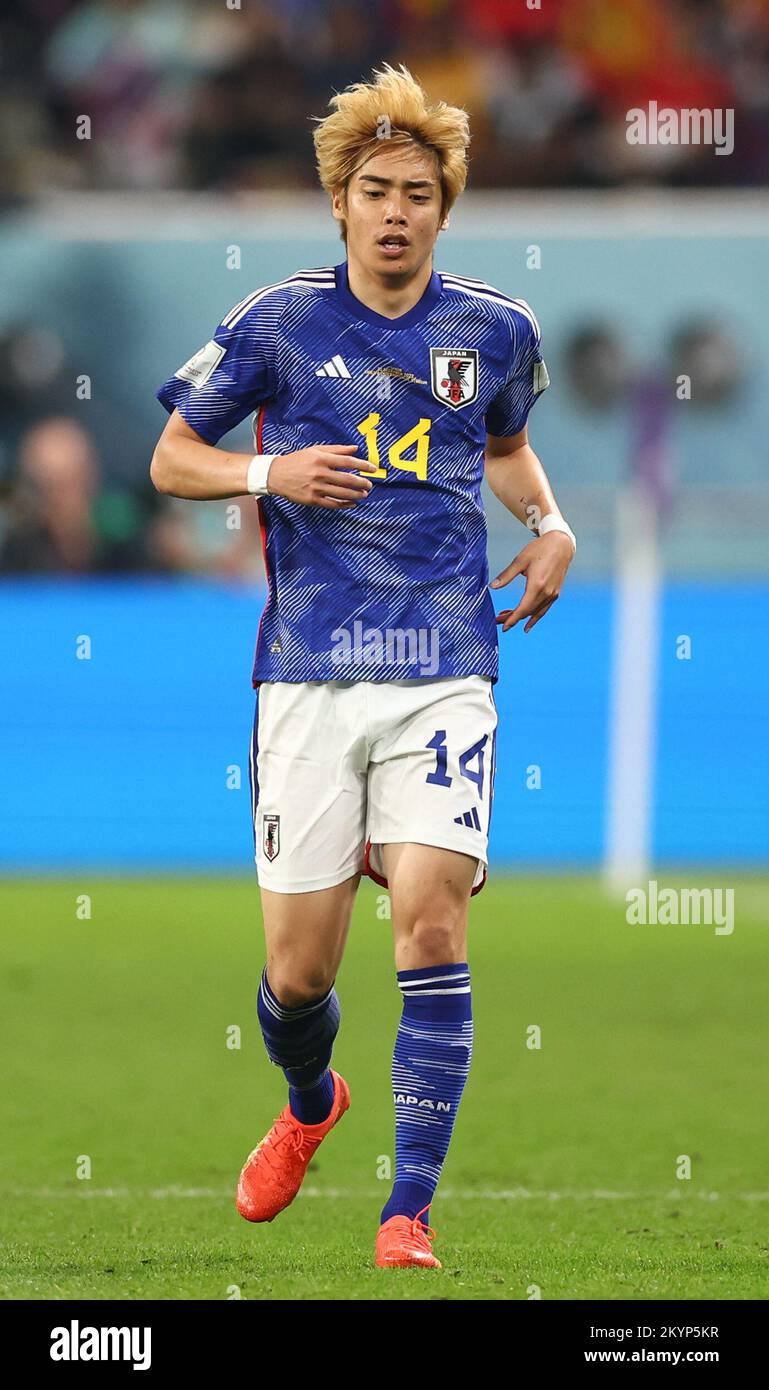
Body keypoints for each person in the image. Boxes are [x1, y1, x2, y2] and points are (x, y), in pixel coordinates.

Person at [151, 64, 575, 1271]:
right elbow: (172, 457)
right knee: (296, 978)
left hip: (445, 663)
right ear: (338, 202)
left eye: (418, 194)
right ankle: (306, 1102)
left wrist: (550, 524)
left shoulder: (495, 329)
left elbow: (508, 448)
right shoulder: (277, 322)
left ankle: (409, 1212)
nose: (396, 211)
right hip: (307, 675)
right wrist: (264, 474)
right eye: (375, 190)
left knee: (432, 929)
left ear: (446, 210)